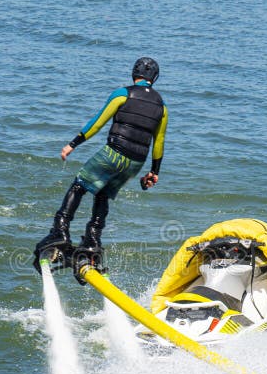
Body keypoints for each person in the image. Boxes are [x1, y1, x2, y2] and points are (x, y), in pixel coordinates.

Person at [34, 57, 169, 271]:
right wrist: (154, 171)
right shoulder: (162, 106)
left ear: (134, 74)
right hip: (135, 163)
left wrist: (73, 144)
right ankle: (93, 241)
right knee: (103, 194)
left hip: (114, 153)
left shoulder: (123, 94)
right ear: (155, 78)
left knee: (79, 186)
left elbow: (97, 123)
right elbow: (159, 141)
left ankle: (60, 231)